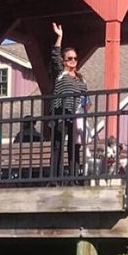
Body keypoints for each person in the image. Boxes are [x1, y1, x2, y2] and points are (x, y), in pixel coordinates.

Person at [51, 22, 88, 180]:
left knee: (74, 147)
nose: (73, 60)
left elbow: (86, 98)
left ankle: (73, 177)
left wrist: (85, 111)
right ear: (64, 61)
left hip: (75, 115)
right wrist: (60, 37)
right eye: (69, 58)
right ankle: (55, 178)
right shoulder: (61, 73)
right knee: (58, 145)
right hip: (60, 112)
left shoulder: (81, 79)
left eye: (75, 58)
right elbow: (54, 55)